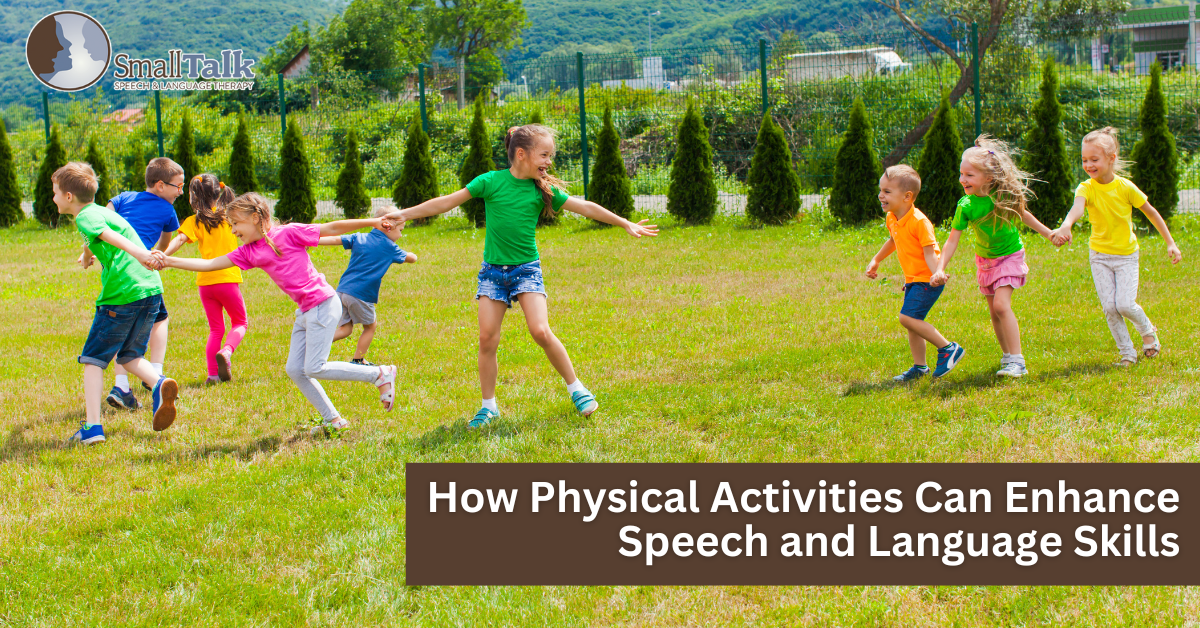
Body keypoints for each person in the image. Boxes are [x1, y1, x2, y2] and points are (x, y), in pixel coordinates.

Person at [385, 124, 658, 429]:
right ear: (521, 154)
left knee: (540, 330)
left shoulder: (543, 190)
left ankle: (577, 389)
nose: (549, 162)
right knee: (487, 338)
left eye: (550, 156)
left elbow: (585, 207)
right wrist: (405, 214)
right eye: (544, 155)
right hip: (493, 273)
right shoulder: (490, 181)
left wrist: (624, 222)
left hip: (526, 269)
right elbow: (447, 201)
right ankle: (489, 407)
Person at [155, 193, 399, 434]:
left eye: (236, 223)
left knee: (315, 367)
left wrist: (373, 222)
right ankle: (334, 420)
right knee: (295, 369)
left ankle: (379, 374)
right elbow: (209, 264)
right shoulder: (249, 251)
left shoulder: (288, 233)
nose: (233, 230)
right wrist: (168, 261)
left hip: (323, 304)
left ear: (254, 217)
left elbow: (331, 227)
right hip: (306, 311)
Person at [57, 162, 179, 445]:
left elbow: (107, 235)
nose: (53, 197)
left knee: (93, 360)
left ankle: (92, 428)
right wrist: (87, 254)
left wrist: (141, 254)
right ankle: (159, 383)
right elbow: (99, 234)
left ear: (68, 196)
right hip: (149, 289)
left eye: (54, 192)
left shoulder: (85, 217)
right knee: (129, 355)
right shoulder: (100, 212)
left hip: (122, 293)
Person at [1049, 127, 1183, 365]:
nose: (1088, 165)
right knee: (1110, 307)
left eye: (1094, 159)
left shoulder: (1125, 187)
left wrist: (1170, 242)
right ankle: (1127, 353)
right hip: (1099, 256)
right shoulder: (1086, 188)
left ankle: (1147, 331)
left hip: (1126, 256)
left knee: (1125, 304)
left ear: (1111, 158)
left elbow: (1151, 213)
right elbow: (1077, 208)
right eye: (1084, 160)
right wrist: (1066, 225)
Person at [931, 136, 1057, 378]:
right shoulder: (966, 205)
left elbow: (1024, 215)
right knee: (994, 312)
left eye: (969, 175)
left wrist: (1048, 233)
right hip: (985, 261)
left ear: (988, 177)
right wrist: (940, 268)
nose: (962, 179)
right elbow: (952, 240)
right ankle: (1008, 356)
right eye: (961, 174)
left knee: (1001, 305)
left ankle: (1018, 361)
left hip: (1009, 255)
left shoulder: (1001, 197)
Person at [865, 165, 963, 380]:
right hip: (913, 280)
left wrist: (938, 273)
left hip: (928, 280)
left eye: (887, 191)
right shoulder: (892, 217)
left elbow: (930, 252)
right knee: (913, 324)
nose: (880, 195)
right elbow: (893, 240)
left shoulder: (920, 222)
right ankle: (920, 367)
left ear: (907, 197)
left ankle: (948, 348)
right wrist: (876, 260)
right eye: (881, 190)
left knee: (908, 318)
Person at [103, 157, 184, 409]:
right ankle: (155, 374)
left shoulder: (122, 198)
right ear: (160, 185)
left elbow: (103, 219)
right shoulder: (167, 210)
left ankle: (121, 387)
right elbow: (163, 245)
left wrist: (91, 253)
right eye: (178, 186)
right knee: (160, 319)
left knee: (121, 327)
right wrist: (156, 258)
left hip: (114, 273)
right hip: (141, 273)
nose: (180, 192)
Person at [161, 174, 248, 384]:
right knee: (240, 322)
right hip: (227, 280)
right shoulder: (229, 217)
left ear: (195, 196)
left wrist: (162, 256)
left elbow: (179, 240)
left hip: (206, 285)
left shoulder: (194, 221)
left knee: (216, 329)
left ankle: (212, 375)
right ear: (219, 193)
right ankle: (227, 351)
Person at [317, 206, 417, 366]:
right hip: (360, 295)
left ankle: (316, 343)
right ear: (389, 227)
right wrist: (414, 255)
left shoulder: (359, 237)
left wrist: (313, 240)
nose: (400, 235)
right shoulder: (390, 247)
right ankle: (358, 359)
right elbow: (411, 259)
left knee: (345, 329)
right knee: (370, 326)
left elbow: (336, 240)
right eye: (400, 230)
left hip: (342, 291)